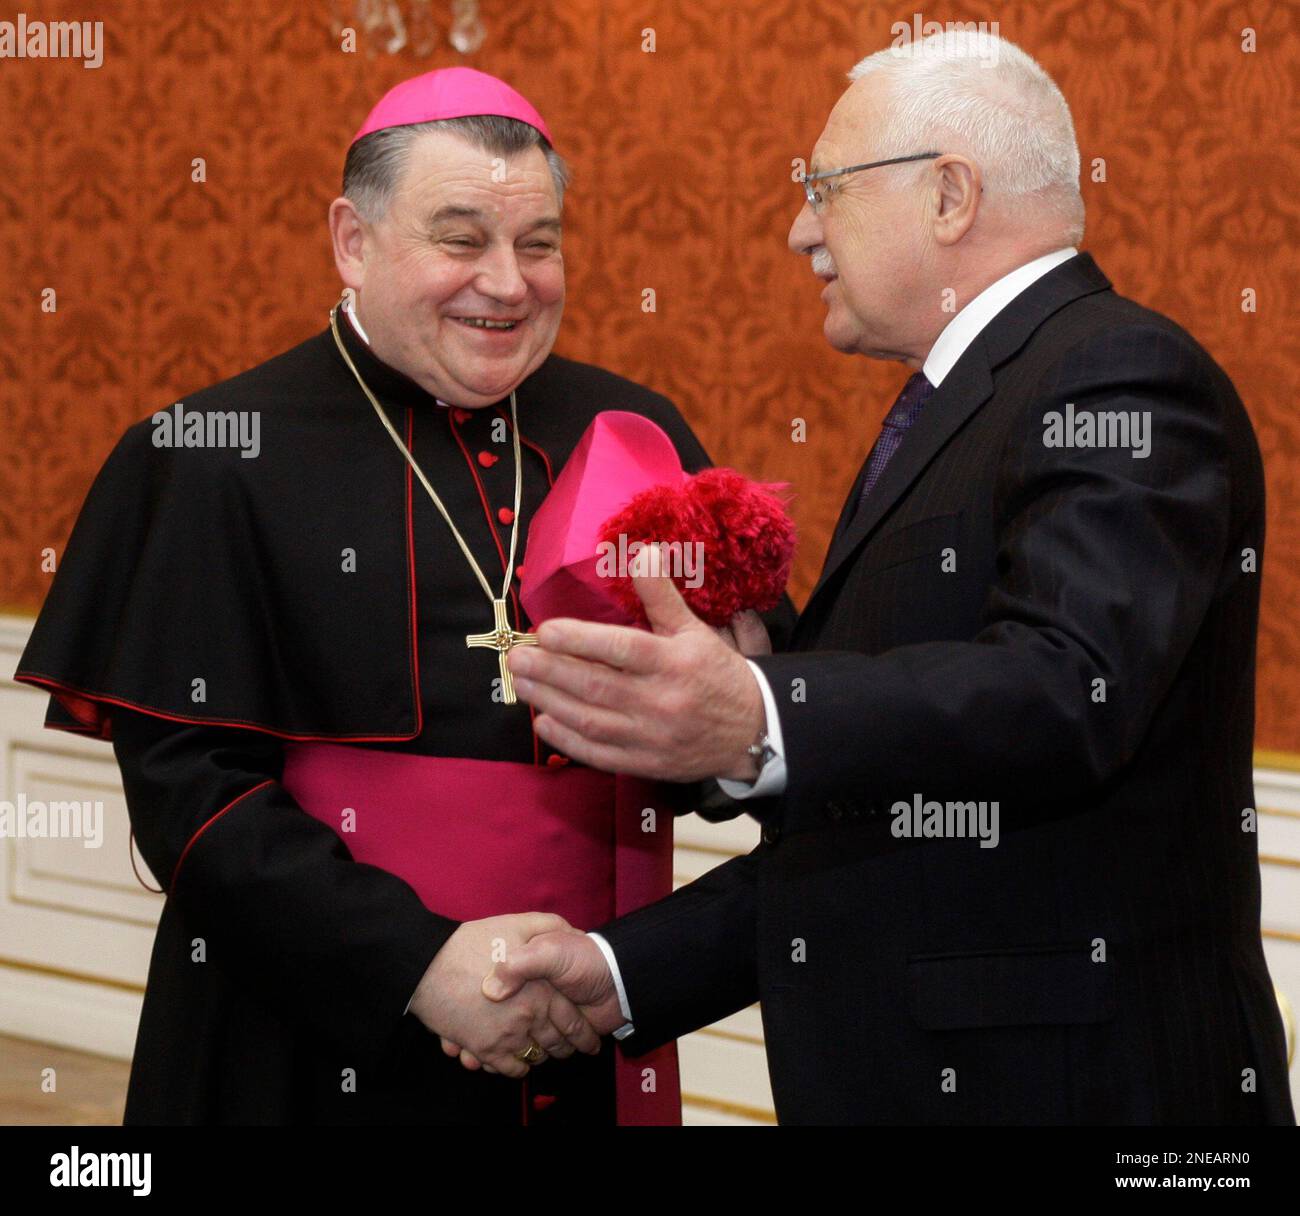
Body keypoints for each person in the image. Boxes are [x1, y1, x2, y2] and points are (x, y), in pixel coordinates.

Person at [480, 32, 1296, 1124]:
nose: (798, 227)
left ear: (950, 194)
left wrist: (762, 712)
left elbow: (1065, 694)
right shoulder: (959, 407)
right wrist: (625, 973)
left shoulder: (1117, 373)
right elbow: (882, 829)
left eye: (824, 188)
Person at [15, 66, 791, 1125]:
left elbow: (725, 738)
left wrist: (728, 706)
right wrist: (421, 965)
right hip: (295, 1033)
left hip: (576, 1009)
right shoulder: (211, 454)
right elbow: (193, 805)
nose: (509, 283)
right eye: (461, 239)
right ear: (353, 240)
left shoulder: (631, 434)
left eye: (540, 242)